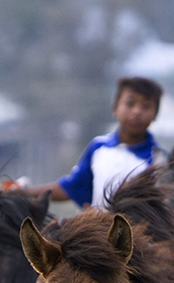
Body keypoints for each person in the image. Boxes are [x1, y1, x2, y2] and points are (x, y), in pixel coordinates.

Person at [31, 76, 164, 208]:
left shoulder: (158, 160)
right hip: (99, 228)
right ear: (115, 108)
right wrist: (23, 191)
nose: (137, 112)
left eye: (146, 106)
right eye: (130, 104)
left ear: (155, 114)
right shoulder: (98, 147)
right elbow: (72, 187)